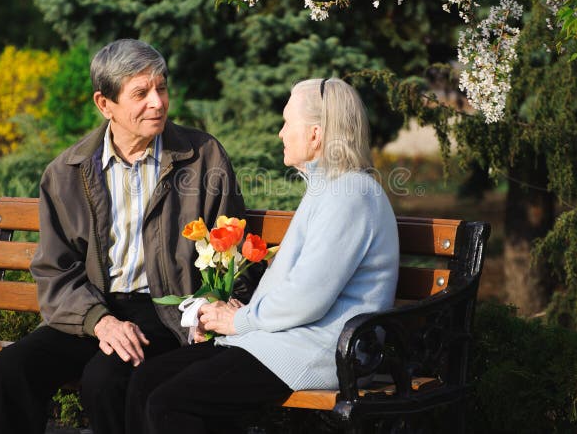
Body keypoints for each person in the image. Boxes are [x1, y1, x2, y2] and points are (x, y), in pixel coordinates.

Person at [0, 39, 246, 434]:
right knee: (8, 372)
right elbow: (56, 271)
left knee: (106, 381)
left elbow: (233, 251)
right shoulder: (67, 171)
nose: (157, 102)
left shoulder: (203, 157)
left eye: (161, 88)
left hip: (165, 312)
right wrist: (99, 321)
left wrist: (210, 308)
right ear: (104, 104)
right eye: (140, 93)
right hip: (92, 309)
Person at [125, 78, 400, 433]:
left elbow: (308, 297)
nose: (280, 134)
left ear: (315, 135)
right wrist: (244, 317)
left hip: (316, 351)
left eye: (287, 123)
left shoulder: (350, 194)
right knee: (145, 380)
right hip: (281, 343)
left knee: (169, 403)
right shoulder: (329, 189)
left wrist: (239, 322)